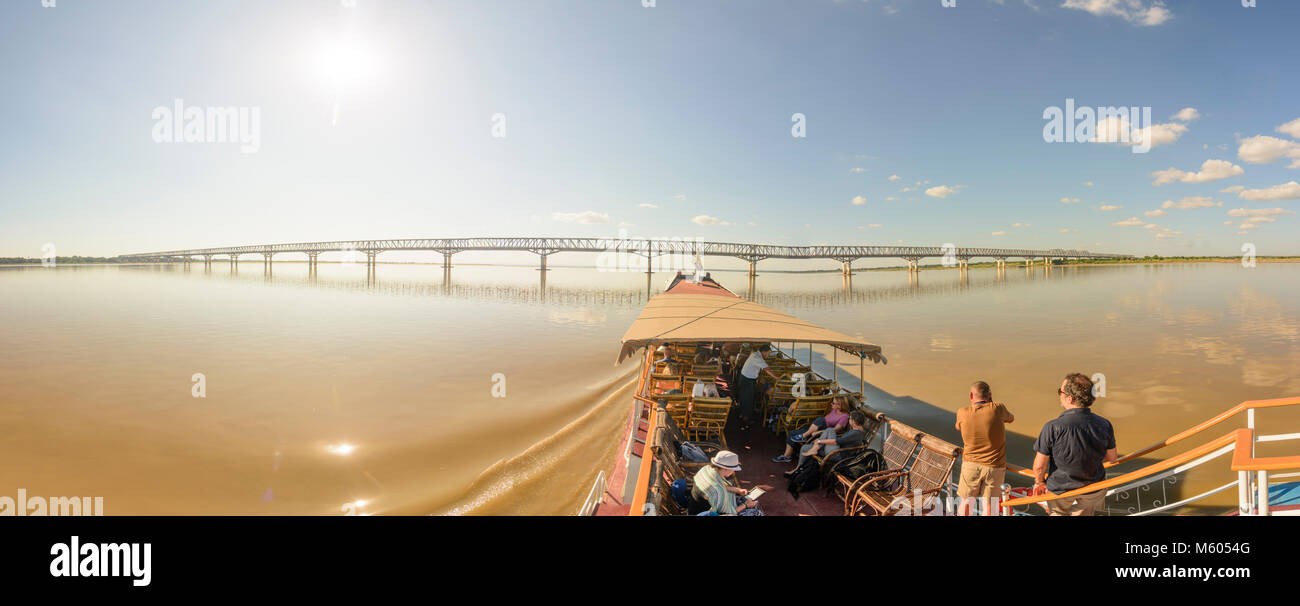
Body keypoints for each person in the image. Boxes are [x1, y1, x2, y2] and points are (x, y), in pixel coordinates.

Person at [1031, 373, 1118, 516]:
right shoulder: (1104, 424)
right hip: (1093, 487)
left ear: (1069, 399)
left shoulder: (1052, 427)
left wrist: (1039, 482)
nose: (1059, 394)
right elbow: (1113, 458)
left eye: (1061, 391)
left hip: (1060, 489)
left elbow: (1039, 466)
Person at [955, 381, 1014, 515]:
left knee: (966, 502)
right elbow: (1011, 418)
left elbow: (958, 427)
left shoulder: (962, 412)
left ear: (971, 395)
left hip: (970, 465)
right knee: (989, 505)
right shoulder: (998, 408)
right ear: (990, 395)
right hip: (994, 466)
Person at [786, 409, 869, 475]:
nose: (849, 420)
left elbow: (837, 441)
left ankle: (815, 447)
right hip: (834, 450)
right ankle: (797, 469)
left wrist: (819, 440)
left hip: (837, 455)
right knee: (805, 448)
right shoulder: (855, 430)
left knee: (829, 430)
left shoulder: (857, 433)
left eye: (850, 419)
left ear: (853, 422)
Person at [772, 395, 851, 463]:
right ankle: (787, 456)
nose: (831, 404)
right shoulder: (834, 410)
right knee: (793, 433)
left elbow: (836, 430)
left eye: (833, 403)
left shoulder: (844, 416)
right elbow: (826, 419)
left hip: (824, 432)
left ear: (839, 405)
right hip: (816, 427)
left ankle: (804, 436)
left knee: (820, 419)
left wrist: (820, 431)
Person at [691, 450, 760, 515]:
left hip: (695, 507)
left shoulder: (706, 469)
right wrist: (745, 505)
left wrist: (737, 490)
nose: (733, 472)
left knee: (742, 498)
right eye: (733, 469)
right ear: (725, 469)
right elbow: (729, 512)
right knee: (755, 512)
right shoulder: (718, 490)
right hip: (706, 513)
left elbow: (717, 485)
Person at [736, 343, 778, 430]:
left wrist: (758, 377)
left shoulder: (755, 354)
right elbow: (767, 370)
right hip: (747, 380)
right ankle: (746, 420)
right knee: (748, 399)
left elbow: (756, 367)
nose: (768, 355)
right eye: (768, 353)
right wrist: (777, 378)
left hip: (746, 378)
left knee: (746, 398)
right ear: (763, 352)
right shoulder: (757, 358)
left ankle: (744, 414)